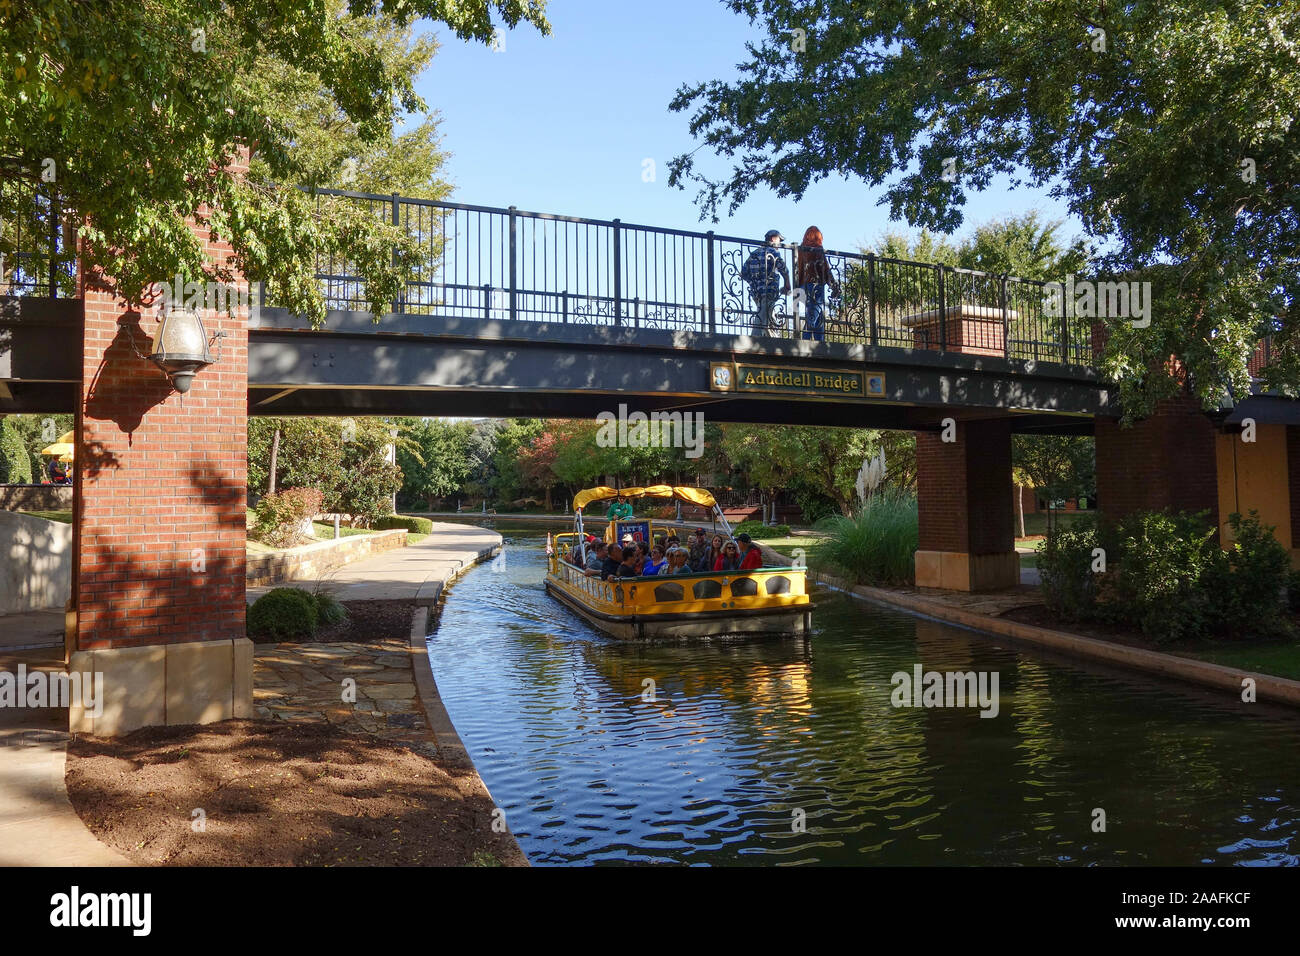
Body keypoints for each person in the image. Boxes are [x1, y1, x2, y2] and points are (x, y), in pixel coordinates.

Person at [741, 229, 791, 337]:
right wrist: (787, 284)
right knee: (762, 318)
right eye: (779, 240)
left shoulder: (754, 253)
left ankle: (773, 338)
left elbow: (743, 273)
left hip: (756, 292)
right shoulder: (772, 251)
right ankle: (754, 340)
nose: (779, 244)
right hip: (769, 290)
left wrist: (753, 283)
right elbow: (783, 268)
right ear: (773, 239)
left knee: (768, 315)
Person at [794, 226, 841, 342]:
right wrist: (833, 285)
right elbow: (824, 267)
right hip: (815, 285)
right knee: (813, 315)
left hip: (803, 286)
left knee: (817, 315)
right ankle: (805, 341)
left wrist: (797, 288)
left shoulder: (800, 249)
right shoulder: (817, 248)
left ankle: (820, 342)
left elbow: (798, 269)